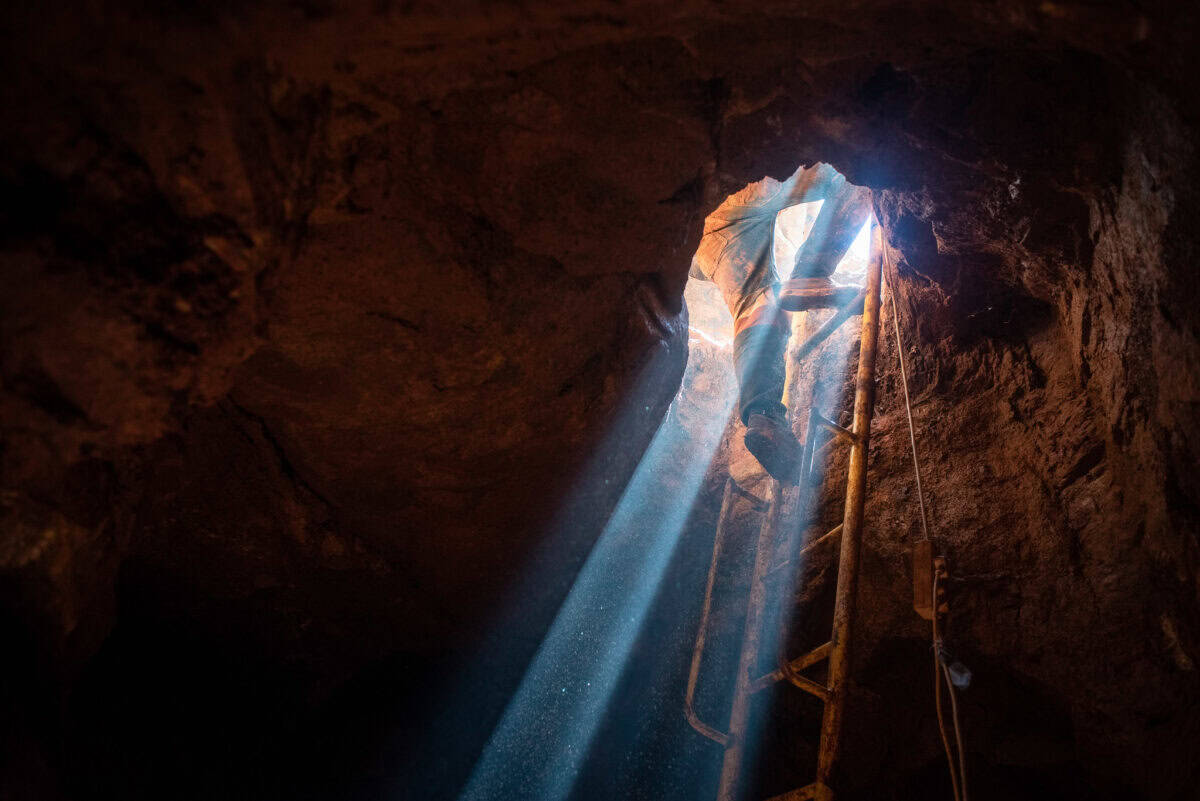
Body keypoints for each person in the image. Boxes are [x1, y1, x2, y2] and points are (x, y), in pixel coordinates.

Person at [690, 163, 871, 481]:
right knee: (858, 172)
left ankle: (765, 415)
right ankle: (813, 272)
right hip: (726, 200)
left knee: (759, 306)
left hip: (700, 244)